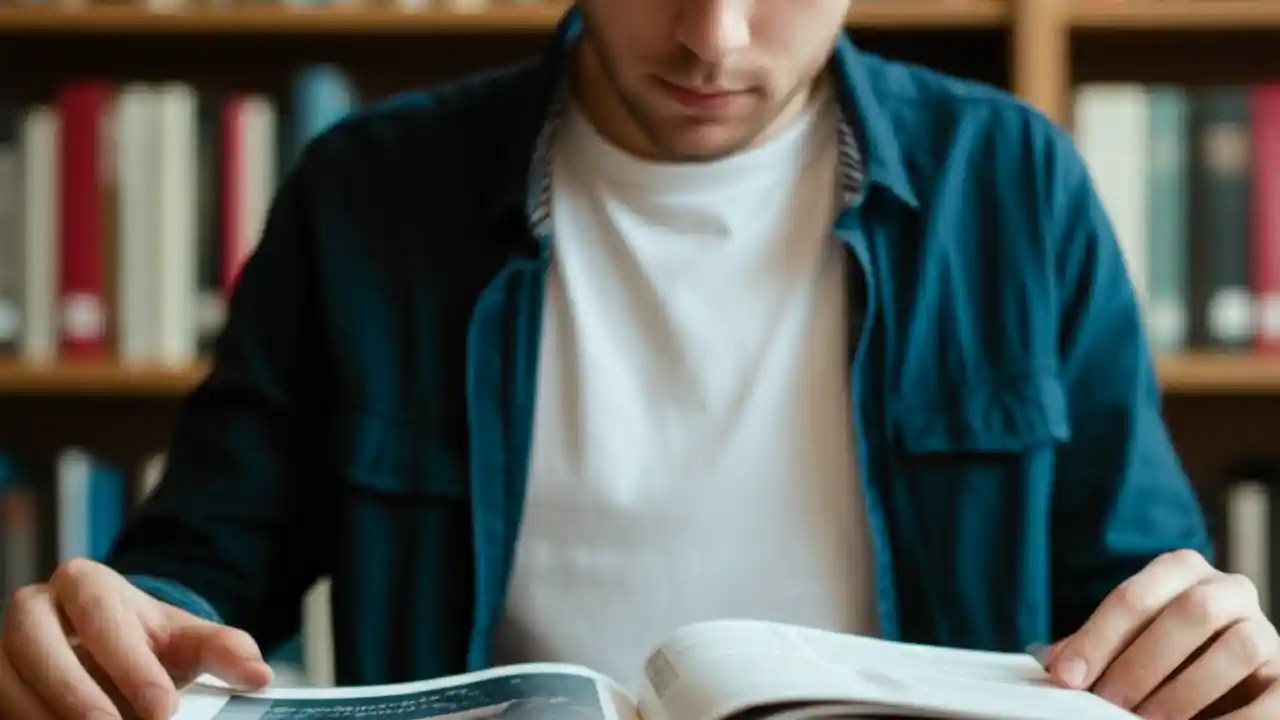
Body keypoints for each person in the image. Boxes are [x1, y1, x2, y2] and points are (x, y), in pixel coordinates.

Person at [1, 1, 1276, 718]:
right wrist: (103, 630)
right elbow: (198, 580)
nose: (712, 38)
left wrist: (1211, 650)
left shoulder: (1012, 184)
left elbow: (1133, 603)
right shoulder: (367, 193)